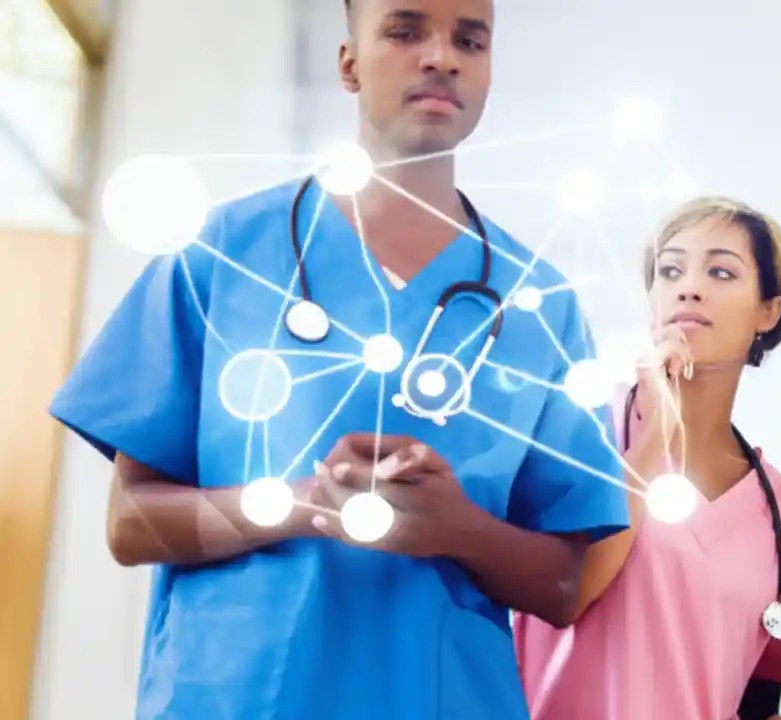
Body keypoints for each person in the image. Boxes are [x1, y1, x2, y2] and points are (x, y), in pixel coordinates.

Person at [48, 1, 628, 717]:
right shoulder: (220, 252)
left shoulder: (541, 304)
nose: (442, 56)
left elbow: (566, 586)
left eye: (470, 40)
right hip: (237, 694)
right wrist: (299, 505)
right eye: (406, 30)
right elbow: (131, 524)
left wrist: (456, 528)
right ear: (348, 62)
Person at [513, 197, 781, 720]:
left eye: (721, 271)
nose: (688, 286)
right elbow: (572, 590)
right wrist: (656, 433)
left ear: (768, 312)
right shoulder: (576, 427)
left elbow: (759, 696)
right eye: (670, 270)